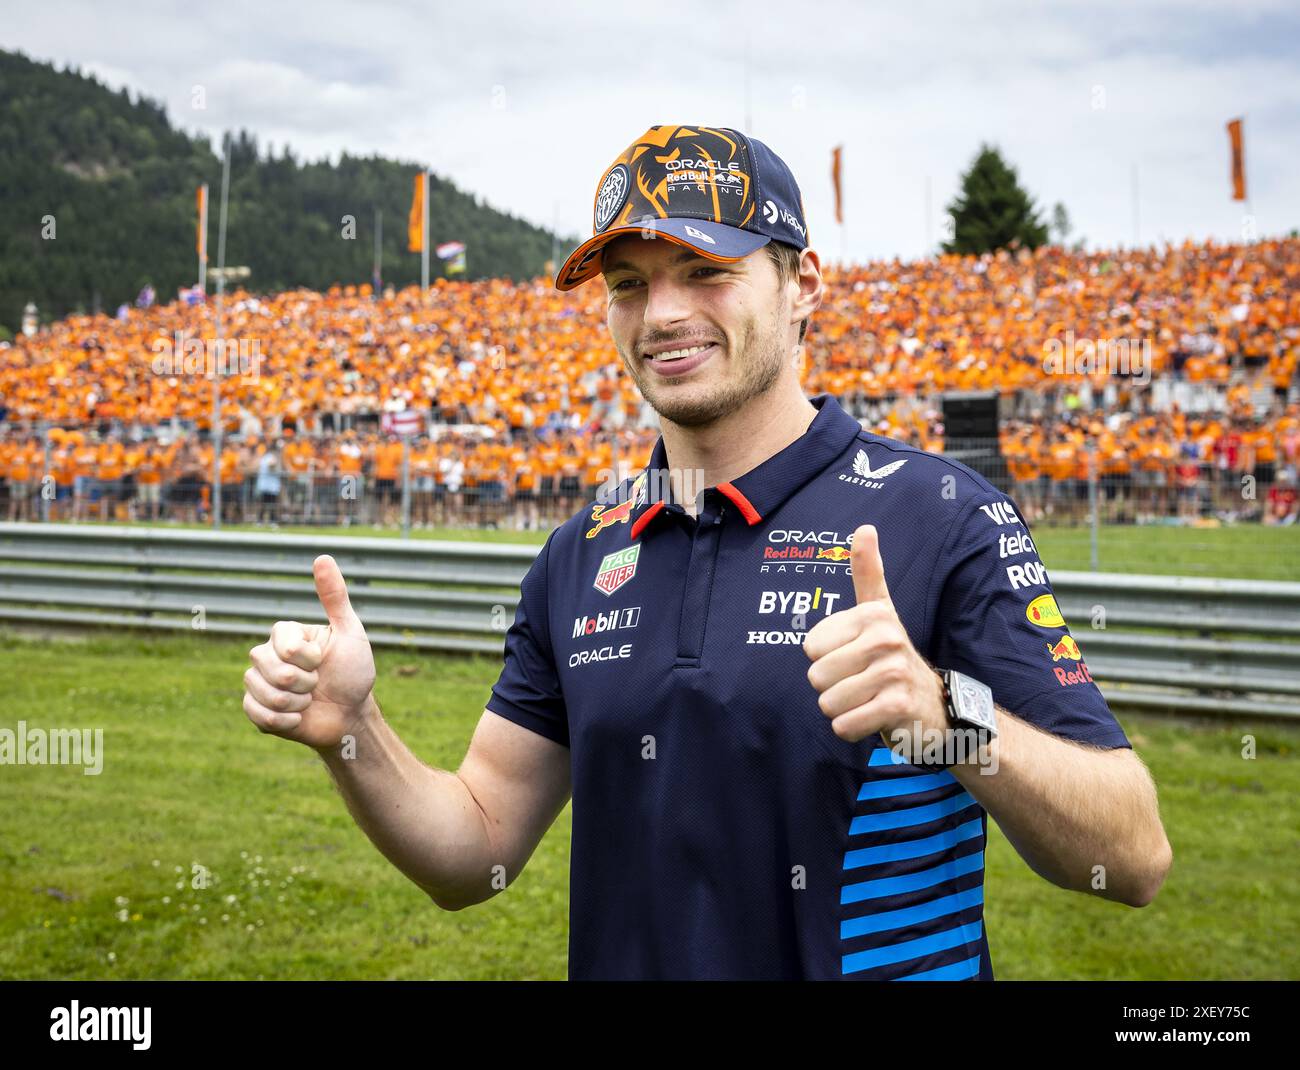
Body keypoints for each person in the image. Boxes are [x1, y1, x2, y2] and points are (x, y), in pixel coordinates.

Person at [241, 124, 1172, 981]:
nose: (661, 314)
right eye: (630, 284)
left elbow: (1132, 857)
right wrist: (354, 735)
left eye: (703, 269)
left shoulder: (943, 515)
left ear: (803, 284)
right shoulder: (582, 552)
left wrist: (945, 713)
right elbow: (475, 850)